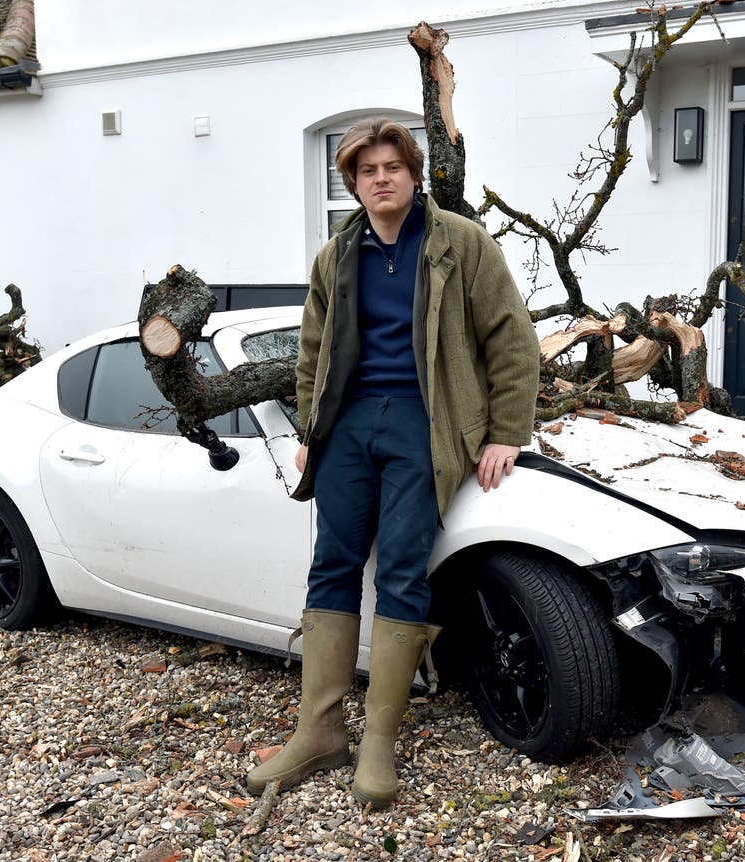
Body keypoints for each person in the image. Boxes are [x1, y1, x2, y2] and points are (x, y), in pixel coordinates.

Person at [245, 118, 539, 809]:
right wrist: (312, 429)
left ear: (414, 175)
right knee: (335, 563)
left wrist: (506, 432)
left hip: (425, 420)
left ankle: (378, 741)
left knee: (404, 567)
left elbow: (511, 340)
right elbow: (314, 351)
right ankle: (318, 731)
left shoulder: (459, 244)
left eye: (392, 167)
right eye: (367, 170)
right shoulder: (335, 257)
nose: (381, 178)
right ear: (353, 183)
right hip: (349, 424)